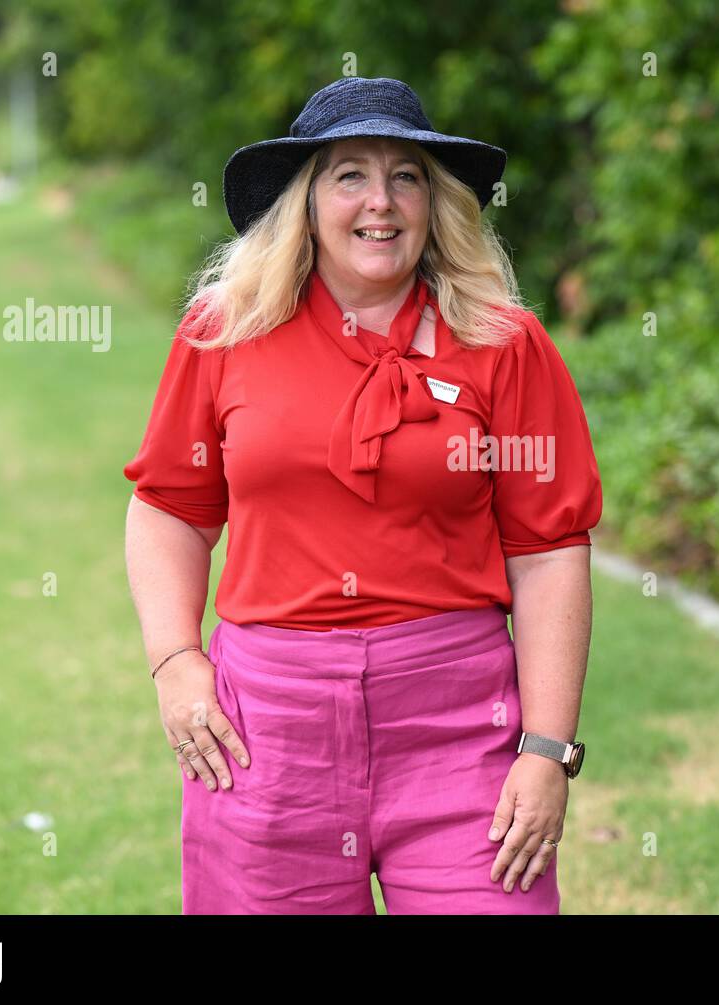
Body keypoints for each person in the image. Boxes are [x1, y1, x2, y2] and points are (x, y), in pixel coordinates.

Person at [122, 76, 601, 915]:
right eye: (349, 174)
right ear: (306, 203)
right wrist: (175, 662)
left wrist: (547, 749)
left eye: (406, 176)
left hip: (462, 733)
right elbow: (171, 509)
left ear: (435, 202)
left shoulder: (504, 342)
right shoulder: (223, 330)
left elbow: (549, 548)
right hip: (266, 737)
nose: (380, 202)